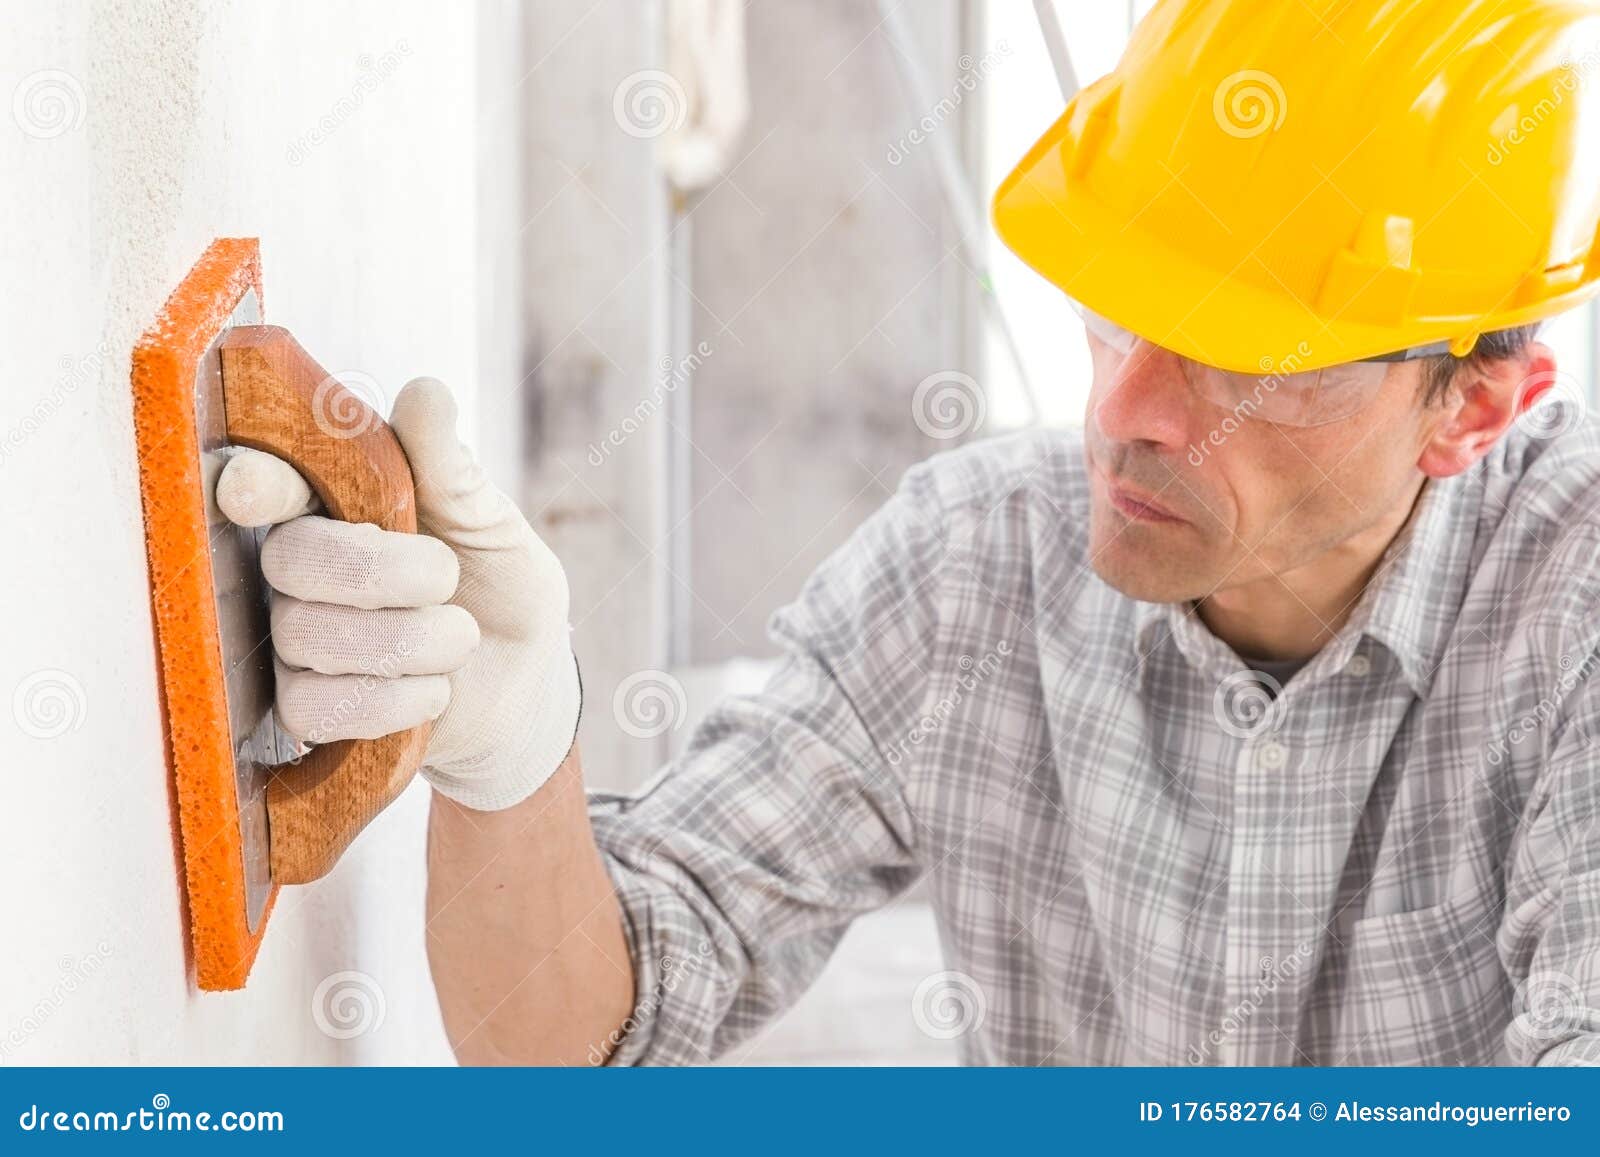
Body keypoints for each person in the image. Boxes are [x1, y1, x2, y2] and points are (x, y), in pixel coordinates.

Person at [214, 0, 1600, 1065]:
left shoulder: (1570, 606)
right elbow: (575, 1047)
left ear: (1473, 408)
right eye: (1121, 305)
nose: (1124, 409)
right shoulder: (974, 566)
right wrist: (515, 755)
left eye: (1253, 360)